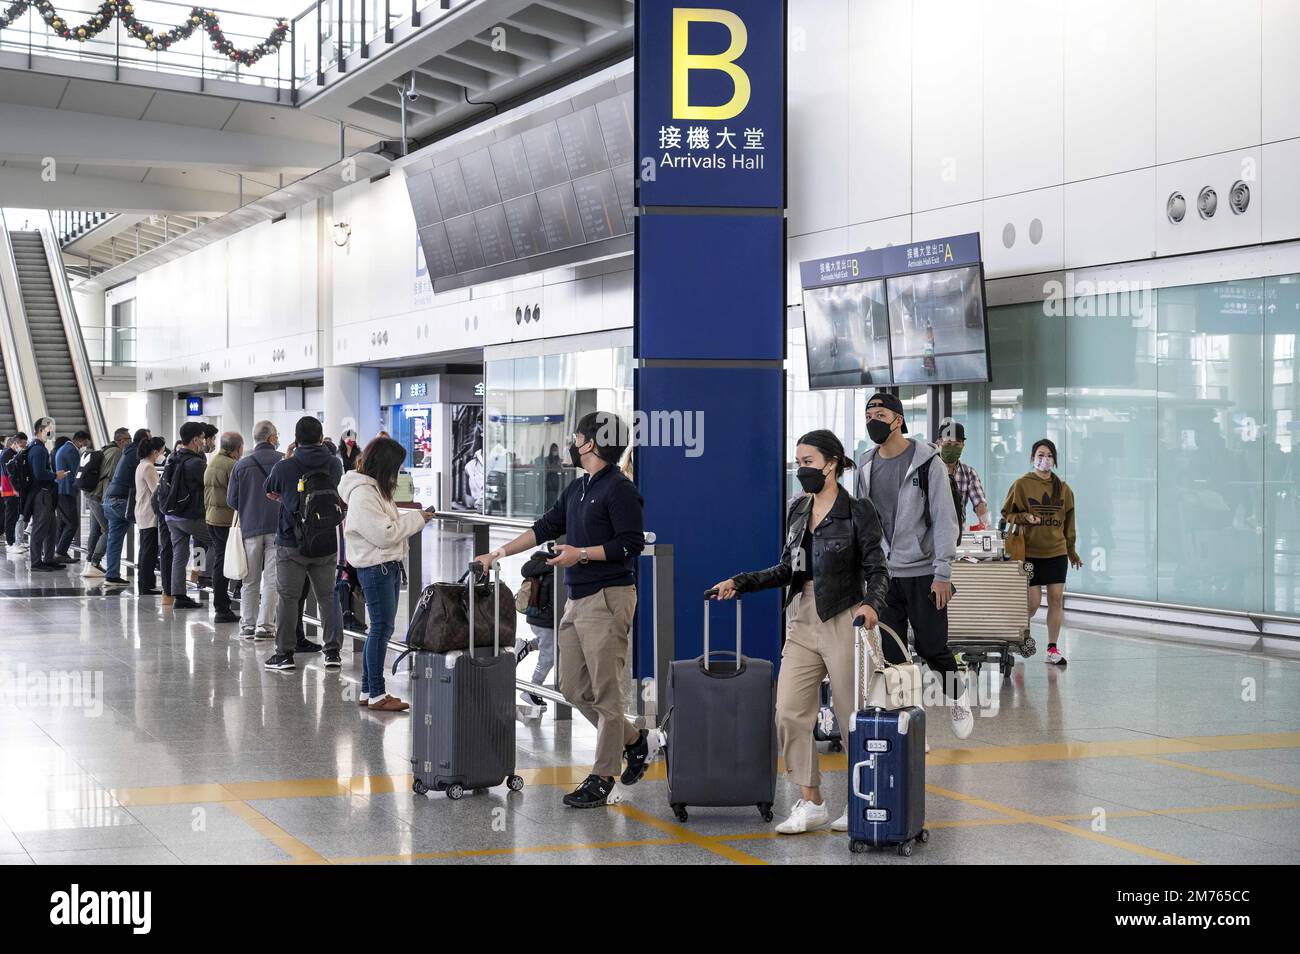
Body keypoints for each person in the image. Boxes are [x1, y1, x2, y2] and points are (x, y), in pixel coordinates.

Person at [711, 430, 889, 834]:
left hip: (845, 616)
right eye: (799, 461)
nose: (801, 469)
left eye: (808, 461)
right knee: (789, 711)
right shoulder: (797, 510)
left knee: (852, 717)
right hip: (801, 617)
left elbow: (879, 570)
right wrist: (741, 581)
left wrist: (870, 605)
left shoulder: (857, 511)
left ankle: (864, 799)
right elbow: (786, 569)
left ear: (832, 463)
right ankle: (811, 802)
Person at [473, 411, 650, 809]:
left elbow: (630, 544)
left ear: (591, 444)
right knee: (570, 687)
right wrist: (496, 552)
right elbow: (543, 527)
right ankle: (636, 741)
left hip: (608, 597)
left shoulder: (619, 489)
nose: (572, 442)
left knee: (607, 694)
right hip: (577, 599)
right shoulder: (578, 489)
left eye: (577, 436)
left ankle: (603, 777)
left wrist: (580, 554)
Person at [855, 392, 975, 740]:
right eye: (868, 414)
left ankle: (958, 695)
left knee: (932, 646)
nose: (872, 419)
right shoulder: (865, 465)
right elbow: (863, 521)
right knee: (892, 654)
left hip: (924, 573)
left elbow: (944, 519)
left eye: (880, 413)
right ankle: (906, 729)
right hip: (884, 576)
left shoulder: (927, 462)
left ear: (898, 419)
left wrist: (943, 574)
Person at [339, 436, 432, 710]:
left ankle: (369, 691)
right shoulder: (364, 494)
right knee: (380, 628)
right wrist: (417, 519)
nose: (398, 473)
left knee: (381, 628)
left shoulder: (374, 490)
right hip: (376, 567)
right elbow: (385, 533)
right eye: (396, 467)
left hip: (385, 566)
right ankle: (377, 693)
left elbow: (386, 525)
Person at [262, 416, 345, 671]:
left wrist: (287, 462)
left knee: (288, 597)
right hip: (326, 540)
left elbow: (269, 489)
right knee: (328, 597)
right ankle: (332, 653)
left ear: (296, 440)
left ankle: (285, 654)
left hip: (291, 542)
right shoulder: (334, 463)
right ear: (321, 438)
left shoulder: (285, 466)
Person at [1001, 438, 1080, 665]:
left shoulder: (1064, 489)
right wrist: (1025, 517)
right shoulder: (1021, 484)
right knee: (1033, 603)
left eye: (1049, 455)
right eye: (1040, 454)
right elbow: (1007, 513)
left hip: (1056, 552)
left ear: (1054, 460)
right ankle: (1018, 638)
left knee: (1056, 600)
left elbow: (1069, 523)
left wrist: (1072, 551)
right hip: (1031, 553)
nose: (1044, 459)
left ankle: (1052, 648)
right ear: (1032, 458)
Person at [227, 421, 284, 639]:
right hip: (278, 528)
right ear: (271, 438)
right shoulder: (283, 462)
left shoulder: (241, 465)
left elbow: (232, 500)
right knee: (272, 579)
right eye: (276, 435)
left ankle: (248, 625)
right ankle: (265, 626)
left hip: (250, 528)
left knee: (249, 579)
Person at [164, 422, 212, 610]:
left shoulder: (172, 457)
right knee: (218, 541)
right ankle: (205, 574)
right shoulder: (196, 463)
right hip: (189, 516)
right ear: (195, 440)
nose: (203, 441)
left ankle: (180, 595)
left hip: (171, 515)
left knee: (180, 554)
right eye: (202, 438)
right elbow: (209, 485)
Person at [103, 428, 151, 589]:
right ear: (144, 440)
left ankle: (112, 575)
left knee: (114, 540)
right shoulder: (137, 455)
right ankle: (146, 574)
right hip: (122, 501)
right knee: (149, 530)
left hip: (110, 499)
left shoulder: (127, 452)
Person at [204, 432, 243, 624]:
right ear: (238, 449)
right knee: (223, 561)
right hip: (225, 520)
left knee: (220, 559)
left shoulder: (213, 461)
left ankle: (222, 603)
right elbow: (236, 496)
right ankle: (221, 606)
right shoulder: (233, 466)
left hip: (212, 517)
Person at [82, 428, 130, 578]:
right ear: (122, 440)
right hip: (100, 496)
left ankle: (90, 562)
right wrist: (107, 500)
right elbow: (111, 478)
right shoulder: (117, 453)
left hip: (91, 494)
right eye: (129, 439)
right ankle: (95, 562)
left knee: (96, 530)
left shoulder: (105, 449)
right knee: (108, 529)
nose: (130, 442)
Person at [514, 548, 557, 708]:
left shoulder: (536, 571)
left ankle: (526, 646)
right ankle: (532, 689)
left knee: (547, 642)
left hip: (536, 620)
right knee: (549, 656)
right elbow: (555, 604)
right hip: (546, 622)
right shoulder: (553, 574)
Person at [936, 421, 990, 529]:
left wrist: (985, 524)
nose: (952, 448)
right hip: (931, 533)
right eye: (948, 444)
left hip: (957, 533)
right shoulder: (927, 470)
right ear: (938, 443)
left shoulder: (968, 473)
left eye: (956, 445)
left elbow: (979, 502)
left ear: (962, 446)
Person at [25, 418, 63, 571]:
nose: (51, 432)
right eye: (49, 429)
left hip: (44, 493)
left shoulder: (37, 447)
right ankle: (36, 562)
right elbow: (39, 474)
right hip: (41, 494)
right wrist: (55, 475)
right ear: (41, 430)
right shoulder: (38, 449)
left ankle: (48, 558)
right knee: (40, 528)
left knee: (51, 527)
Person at [133, 437, 167, 595]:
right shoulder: (149, 467)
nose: (163, 454)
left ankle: (145, 583)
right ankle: (146, 585)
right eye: (162, 451)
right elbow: (157, 491)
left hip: (142, 511)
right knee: (149, 551)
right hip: (148, 513)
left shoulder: (142, 465)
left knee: (145, 550)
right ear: (155, 452)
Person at [54, 431, 90, 565]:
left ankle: (58, 551)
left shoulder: (64, 448)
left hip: (61, 490)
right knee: (72, 523)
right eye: (85, 443)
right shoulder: (71, 451)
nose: (84, 445)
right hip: (66, 490)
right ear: (80, 441)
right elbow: (78, 471)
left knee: (63, 522)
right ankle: (60, 552)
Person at [1, 433, 27, 548]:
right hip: (9, 489)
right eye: (22, 443)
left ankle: (12, 541)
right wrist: (15, 489)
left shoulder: (15, 453)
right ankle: (10, 542)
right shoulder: (7, 454)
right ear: (15, 443)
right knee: (10, 515)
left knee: (15, 515)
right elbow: (9, 473)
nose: (24, 446)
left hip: (14, 489)